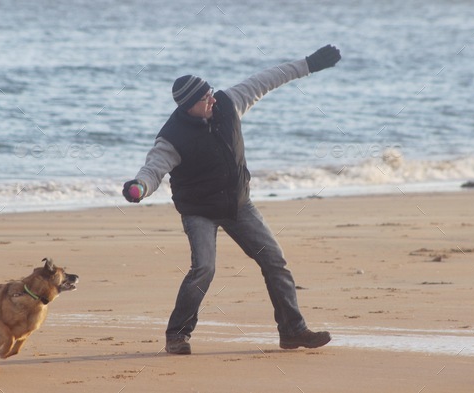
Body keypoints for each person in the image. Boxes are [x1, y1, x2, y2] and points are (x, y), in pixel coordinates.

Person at [122, 45, 341, 355]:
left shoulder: (228, 102)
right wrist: (139, 187)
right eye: (205, 98)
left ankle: (292, 330)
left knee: (275, 262)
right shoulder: (172, 137)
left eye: (210, 92)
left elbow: (268, 78)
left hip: (238, 204)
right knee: (204, 269)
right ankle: (177, 335)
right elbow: (153, 169)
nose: (212, 98)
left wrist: (309, 64)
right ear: (188, 107)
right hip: (200, 211)